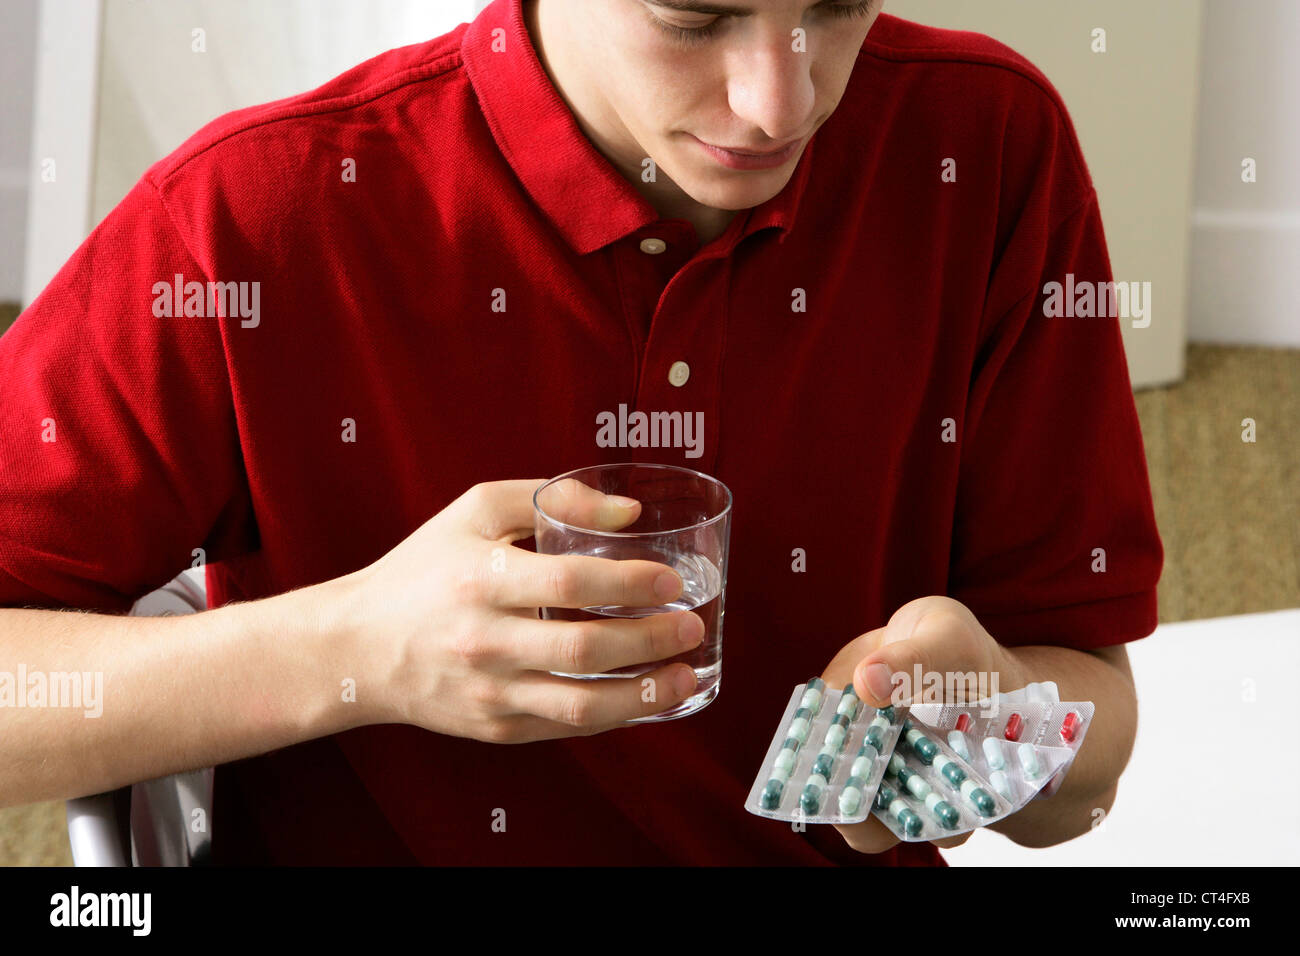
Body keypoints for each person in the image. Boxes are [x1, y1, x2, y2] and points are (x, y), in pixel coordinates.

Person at [0, 0, 1162, 864]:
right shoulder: (250, 217)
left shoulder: (990, 146)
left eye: (832, 4)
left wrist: (996, 713)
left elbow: (1084, 762)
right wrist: (353, 649)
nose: (782, 98)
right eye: (695, 14)